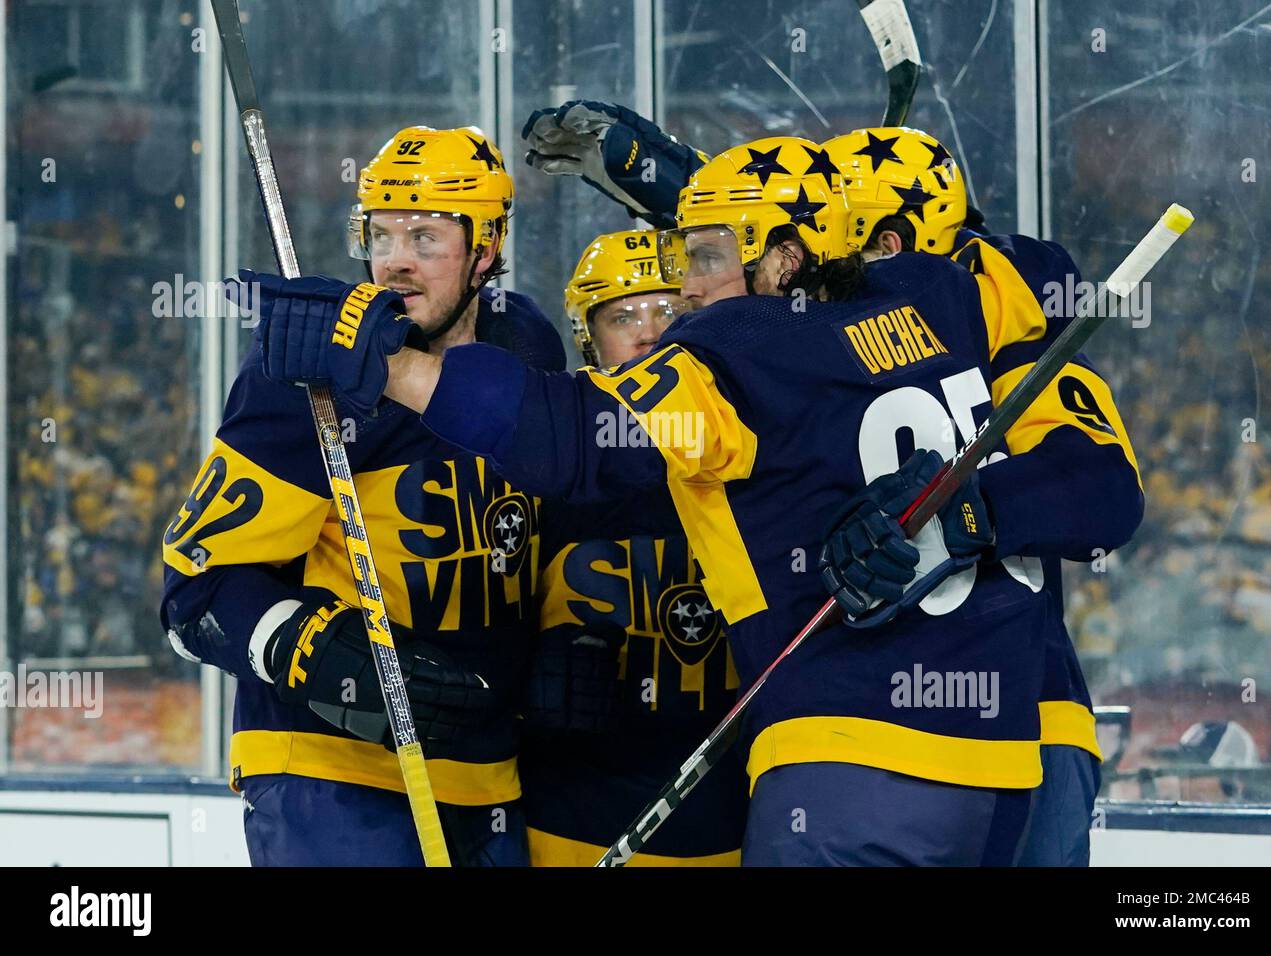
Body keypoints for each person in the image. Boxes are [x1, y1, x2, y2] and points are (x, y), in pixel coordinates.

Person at [241, 136, 1081, 865]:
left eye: (706, 257)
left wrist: (385, 367)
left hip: (837, 766)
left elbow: (572, 435)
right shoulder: (944, 304)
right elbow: (1047, 273)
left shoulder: (731, 353)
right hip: (1001, 768)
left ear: (784, 258)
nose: (683, 294)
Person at [525, 102, 1142, 865]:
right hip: (908, 732)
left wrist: (961, 513)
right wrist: (695, 208)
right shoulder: (843, 350)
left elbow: (1103, 488)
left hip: (1032, 714)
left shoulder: (1001, 341)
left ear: (885, 242)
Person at [160, 126, 566, 866]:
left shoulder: (527, 344)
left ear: (487, 249)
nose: (395, 260)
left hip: (487, 777)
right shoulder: (305, 366)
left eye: (425, 235)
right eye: (380, 234)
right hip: (330, 775)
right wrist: (313, 649)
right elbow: (194, 590)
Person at [521, 228, 748, 865]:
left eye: (670, 310)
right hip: (567, 816)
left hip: (722, 822)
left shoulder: (755, 451)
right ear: (588, 337)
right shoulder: (548, 461)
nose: (650, 333)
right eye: (623, 316)